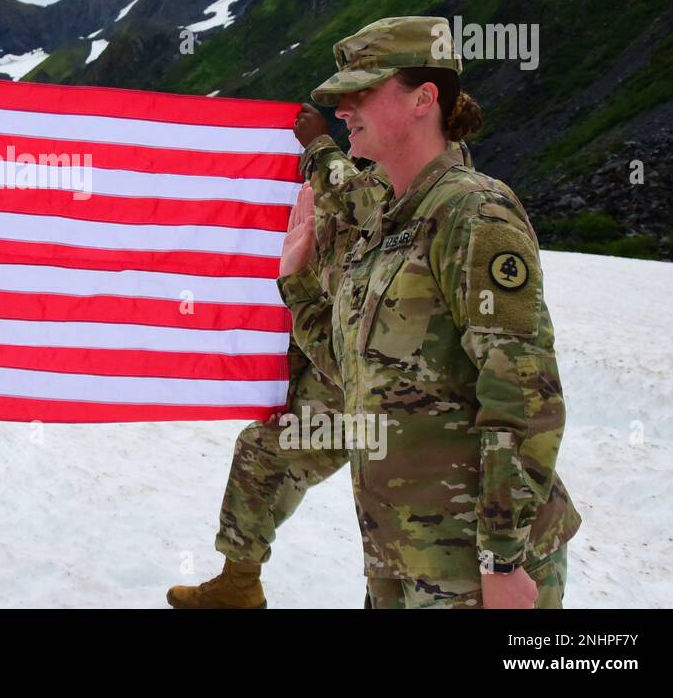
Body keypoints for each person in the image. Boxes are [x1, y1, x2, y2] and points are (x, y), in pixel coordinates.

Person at [277, 16, 581, 608]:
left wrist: (502, 557)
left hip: (472, 570)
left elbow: (523, 394)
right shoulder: (383, 228)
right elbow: (357, 374)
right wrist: (296, 285)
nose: (343, 109)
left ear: (424, 99)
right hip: (400, 559)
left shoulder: (474, 213)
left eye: (361, 91)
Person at [168, 107, 472, 608]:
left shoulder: (438, 184)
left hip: (404, 393)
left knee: (397, 515)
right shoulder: (378, 172)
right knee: (264, 453)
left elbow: (363, 204)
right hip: (344, 369)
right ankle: (239, 581)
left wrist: (319, 149)